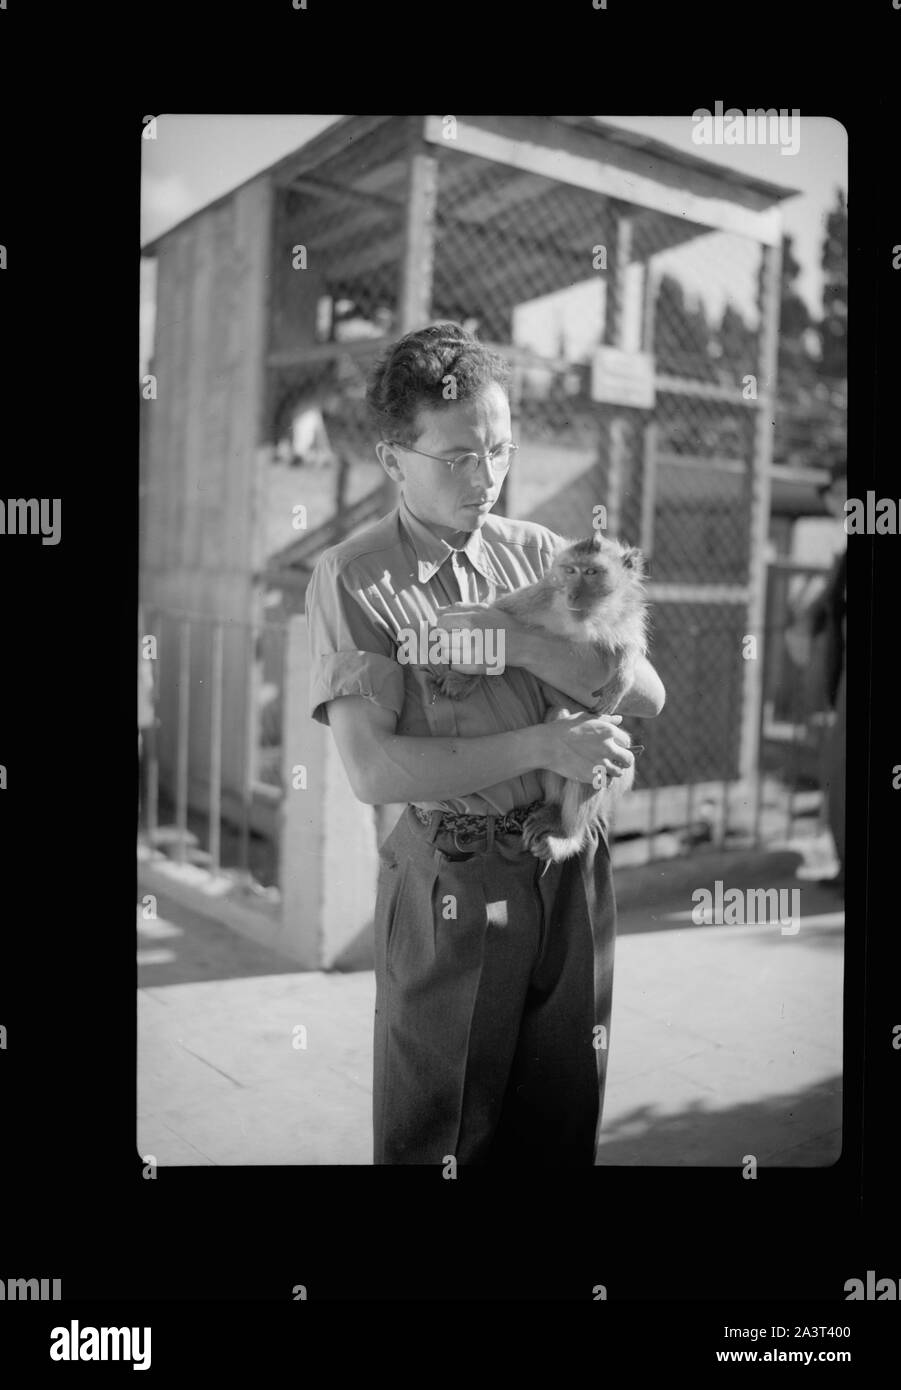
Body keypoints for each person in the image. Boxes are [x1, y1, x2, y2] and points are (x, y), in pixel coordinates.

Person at [304, 323, 666, 1166]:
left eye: (499, 450)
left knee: (560, 1119)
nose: (487, 477)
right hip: (453, 879)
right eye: (458, 458)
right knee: (445, 1135)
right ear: (396, 460)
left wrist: (521, 645)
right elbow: (373, 769)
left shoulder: (540, 553)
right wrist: (546, 742)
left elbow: (647, 692)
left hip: (570, 871)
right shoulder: (357, 579)